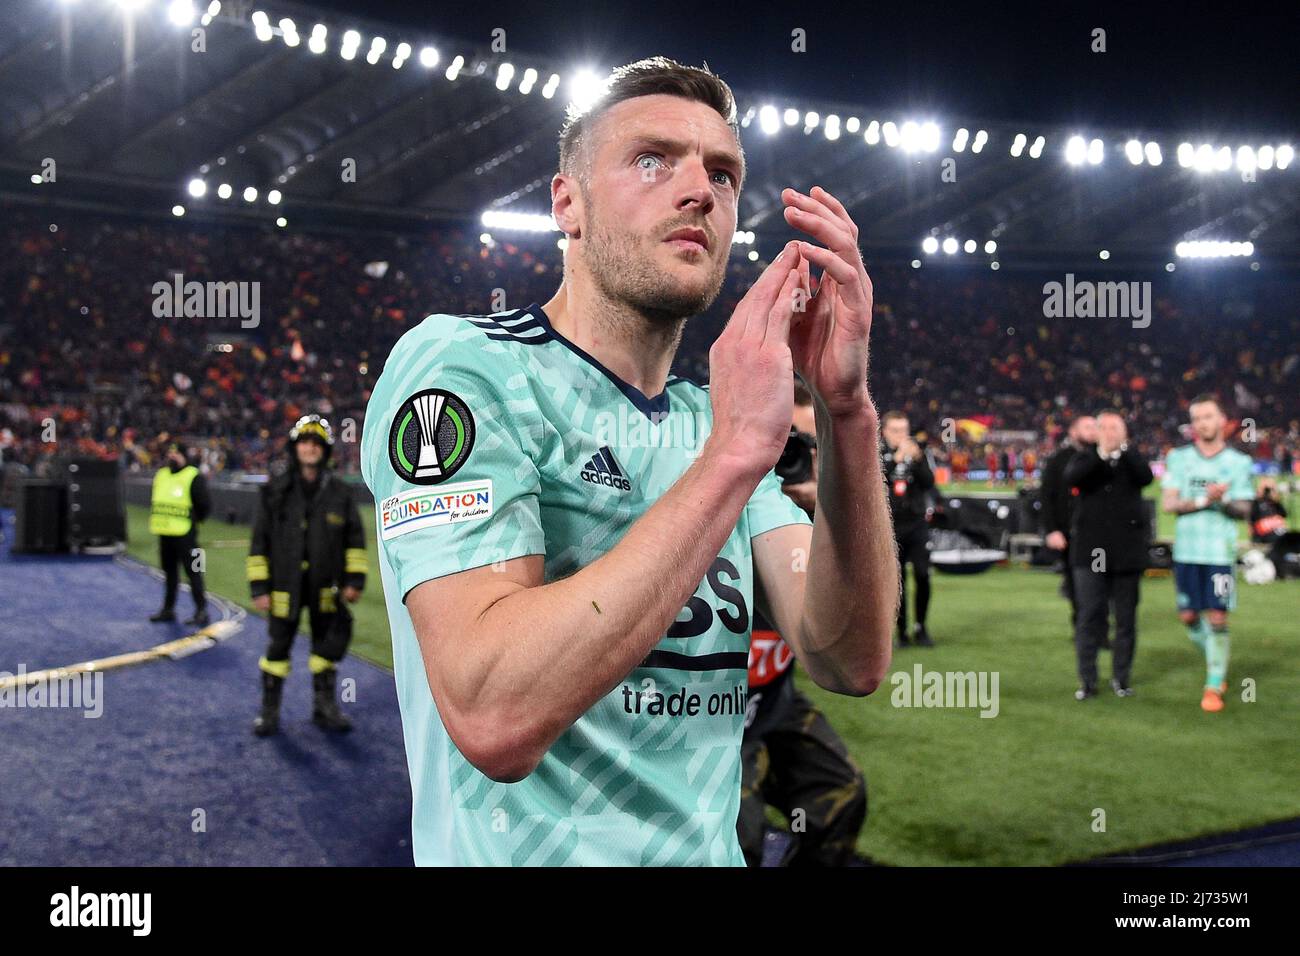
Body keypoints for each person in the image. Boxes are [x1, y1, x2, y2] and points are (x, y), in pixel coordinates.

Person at [361, 57, 897, 866]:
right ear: (566, 204)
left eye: (722, 174)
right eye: (652, 160)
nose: (699, 191)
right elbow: (492, 713)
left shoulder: (706, 421)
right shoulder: (466, 367)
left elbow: (846, 654)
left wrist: (846, 412)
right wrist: (731, 459)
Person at [737, 379, 867, 867]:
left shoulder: (836, 517)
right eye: (783, 444)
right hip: (708, 708)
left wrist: (828, 505)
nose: (793, 460)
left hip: (774, 702)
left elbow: (857, 647)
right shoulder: (722, 505)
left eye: (811, 447)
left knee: (843, 795)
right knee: (738, 838)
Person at [247, 415, 367, 736]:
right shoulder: (275, 491)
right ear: (294, 447)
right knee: (277, 649)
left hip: (326, 588)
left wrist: (354, 581)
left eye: (316, 444)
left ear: (325, 450)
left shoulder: (341, 493)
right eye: (304, 442)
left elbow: (355, 539)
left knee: (325, 649)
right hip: (284, 587)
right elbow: (260, 540)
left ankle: (324, 708)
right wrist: (259, 586)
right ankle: (269, 713)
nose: (310, 448)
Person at [1161, 396, 1254, 713]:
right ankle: (1217, 661)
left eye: (1208, 416)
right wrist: (1206, 499)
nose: (1202, 423)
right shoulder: (1178, 458)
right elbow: (1169, 504)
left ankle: (1214, 682)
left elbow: (1244, 510)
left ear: (1222, 421)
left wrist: (1224, 500)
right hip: (1187, 552)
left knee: (1217, 615)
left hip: (1219, 554)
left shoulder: (1238, 463)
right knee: (1188, 616)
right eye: (1197, 418)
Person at [1063, 411, 1153, 699]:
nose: (1111, 432)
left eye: (1117, 428)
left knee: (1126, 618)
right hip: (1091, 552)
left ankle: (1121, 679)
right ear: (1097, 432)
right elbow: (1073, 478)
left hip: (1126, 553)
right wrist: (1102, 455)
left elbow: (1146, 477)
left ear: (1126, 432)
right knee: (1089, 615)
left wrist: (1123, 452)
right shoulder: (1086, 457)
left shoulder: (1132, 458)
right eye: (1106, 428)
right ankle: (1088, 680)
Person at [1038, 416, 1098, 636]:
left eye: (1095, 427)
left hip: (1099, 537)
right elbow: (1046, 496)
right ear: (1073, 432)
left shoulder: (1103, 457)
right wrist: (1052, 530)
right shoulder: (1059, 459)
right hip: (1070, 534)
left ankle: (1098, 629)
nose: (1093, 431)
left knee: (1100, 579)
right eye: (1088, 427)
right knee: (1075, 582)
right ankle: (1082, 629)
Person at [882, 411, 935, 646]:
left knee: (923, 574)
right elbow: (875, 478)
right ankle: (901, 631)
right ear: (884, 431)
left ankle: (921, 626)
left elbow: (930, 483)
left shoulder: (918, 453)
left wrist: (918, 459)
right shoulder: (877, 452)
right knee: (897, 579)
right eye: (896, 430)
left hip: (916, 523)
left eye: (904, 430)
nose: (901, 435)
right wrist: (896, 458)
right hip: (890, 526)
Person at [148, 441, 210, 626]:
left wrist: (193, 521)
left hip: (187, 536)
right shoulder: (162, 474)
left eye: (176, 453)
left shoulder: (193, 476)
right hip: (165, 534)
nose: (172, 457)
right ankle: (168, 609)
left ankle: (201, 611)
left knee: (196, 572)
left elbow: (205, 505)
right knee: (169, 574)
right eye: (170, 453)